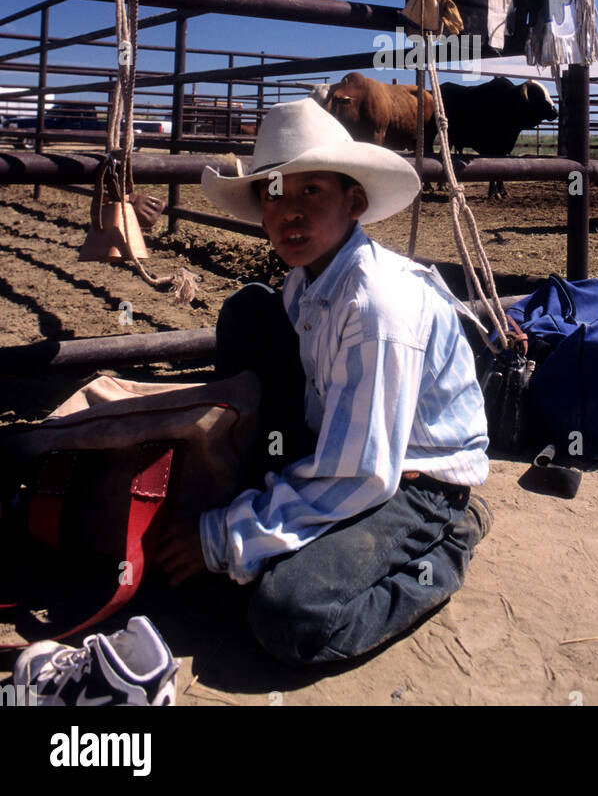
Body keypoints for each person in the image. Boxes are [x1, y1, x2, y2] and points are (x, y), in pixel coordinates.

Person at [154, 98, 491, 667]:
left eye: (311, 191)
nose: (289, 211)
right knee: (248, 312)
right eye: (274, 193)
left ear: (353, 201)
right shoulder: (303, 285)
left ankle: (452, 538)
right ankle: (273, 510)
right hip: (354, 445)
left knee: (289, 613)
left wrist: (224, 539)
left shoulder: (377, 308)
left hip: (413, 476)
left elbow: (362, 472)